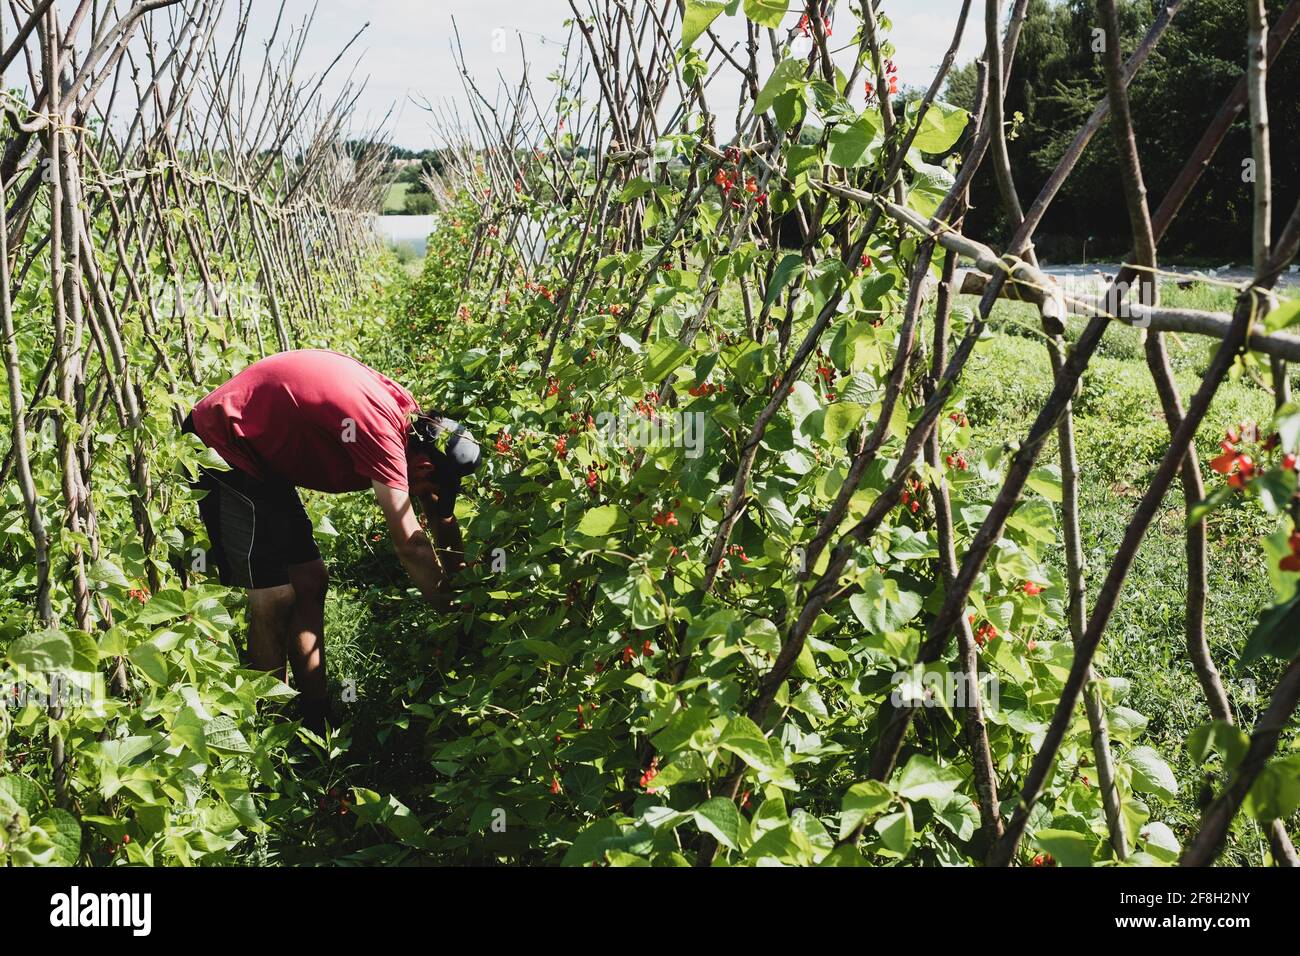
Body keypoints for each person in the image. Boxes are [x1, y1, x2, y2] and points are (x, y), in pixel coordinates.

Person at [182, 349, 481, 734]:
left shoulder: (415, 427)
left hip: (261, 453)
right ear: (423, 467)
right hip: (223, 441)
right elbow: (412, 544)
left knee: (309, 580)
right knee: (273, 595)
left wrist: (468, 586)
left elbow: (439, 515)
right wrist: (457, 618)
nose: (427, 497)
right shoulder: (383, 435)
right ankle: (264, 732)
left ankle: (315, 715)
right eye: (428, 488)